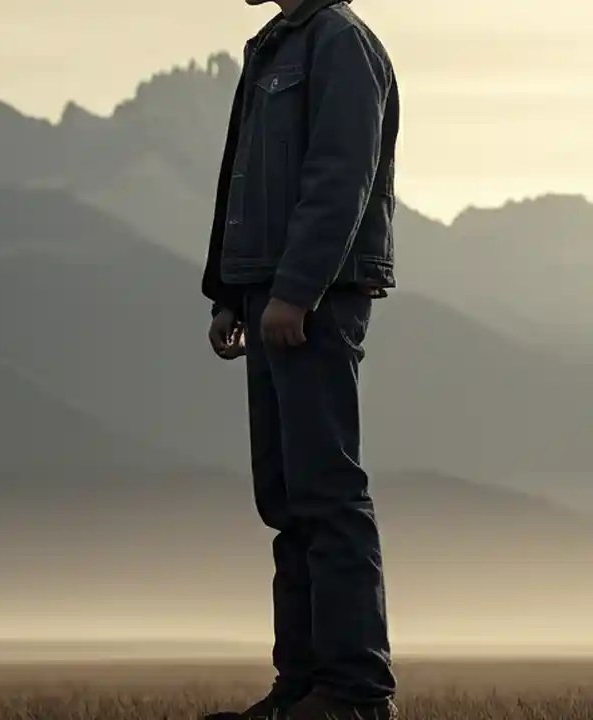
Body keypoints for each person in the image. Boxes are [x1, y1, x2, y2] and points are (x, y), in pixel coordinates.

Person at [200, 0, 400, 718]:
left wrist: (296, 290)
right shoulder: (276, 45)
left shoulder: (339, 43)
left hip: (312, 299)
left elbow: (341, 175)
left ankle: (354, 693)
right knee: (287, 499)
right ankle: (303, 688)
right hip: (270, 295)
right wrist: (231, 291)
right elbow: (246, 181)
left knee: (327, 492)